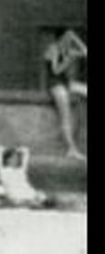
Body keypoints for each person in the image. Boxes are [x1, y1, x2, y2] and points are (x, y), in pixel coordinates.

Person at [42, 28, 87, 159]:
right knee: (65, 114)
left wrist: (74, 38)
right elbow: (55, 70)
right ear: (60, 39)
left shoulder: (67, 50)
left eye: (70, 40)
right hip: (55, 84)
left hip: (66, 83)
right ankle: (71, 149)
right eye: (66, 39)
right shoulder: (52, 49)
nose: (69, 42)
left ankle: (78, 139)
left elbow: (85, 51)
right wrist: (68, 61)